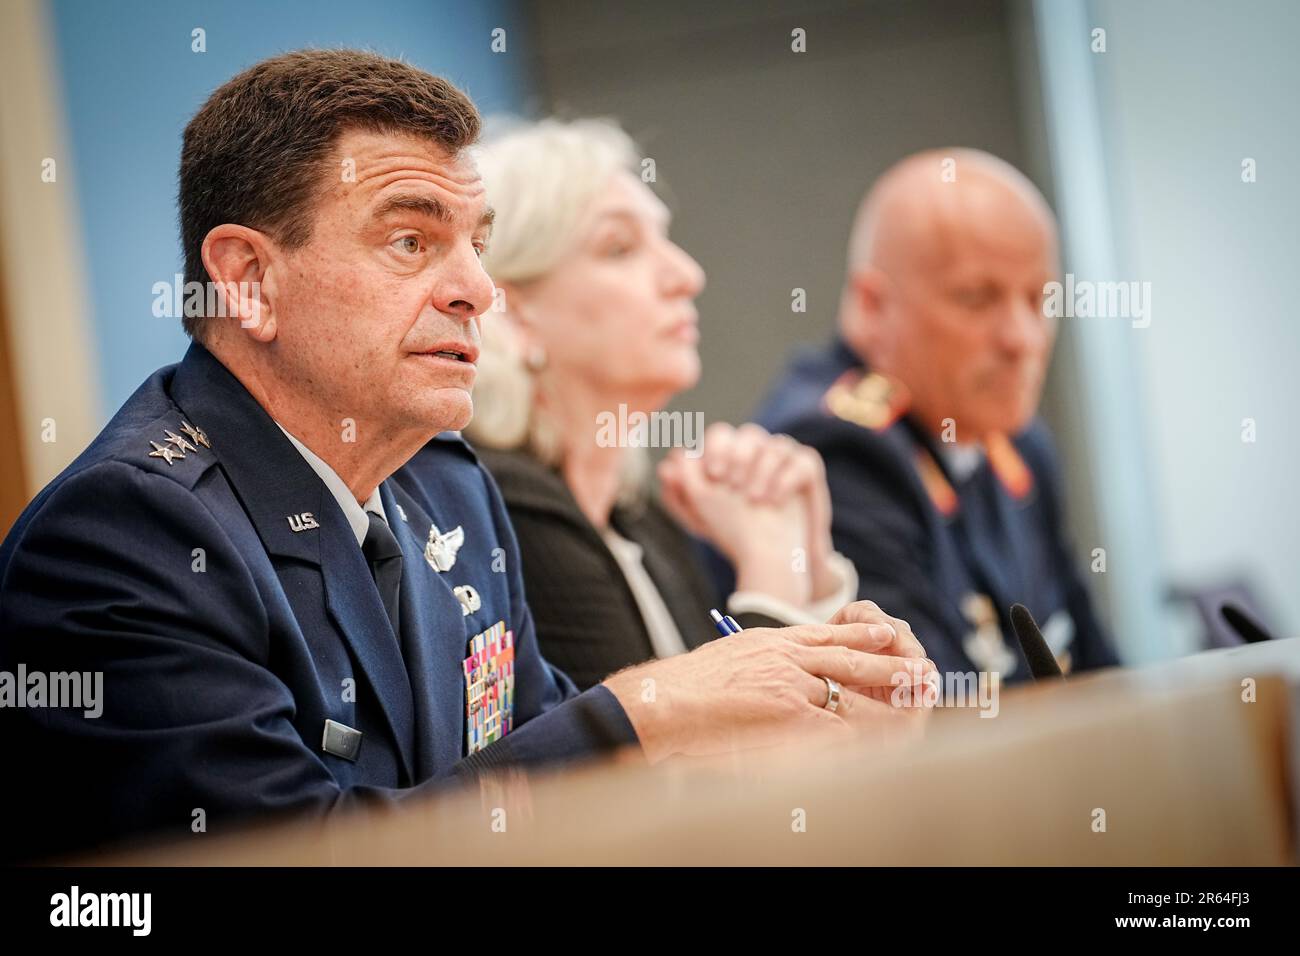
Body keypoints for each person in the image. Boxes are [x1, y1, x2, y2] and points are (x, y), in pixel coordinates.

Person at [0, 50, 932, 861]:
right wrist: (654, 714)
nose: (478, 291)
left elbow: (551, 772)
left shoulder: (449, 488)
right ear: (248, 282)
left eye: (478, 247)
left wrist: (806, 699)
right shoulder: (127, 533)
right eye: (412, 241)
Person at [465, 119, 858, 690]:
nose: (686, 275)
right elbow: (721, 764)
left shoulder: (638, 519)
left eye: (665, 239)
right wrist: (768, 558)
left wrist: (808, 554)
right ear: (513, 310)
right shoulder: (511, 507)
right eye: (620, 247)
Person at [755, 149, 1119, 682]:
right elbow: (936, 725)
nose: (1021, 338)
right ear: (873, 307)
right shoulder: (839, 451)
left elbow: (1099, 676)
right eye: (977, 298)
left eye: (1040, 300)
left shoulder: (1021, 447)